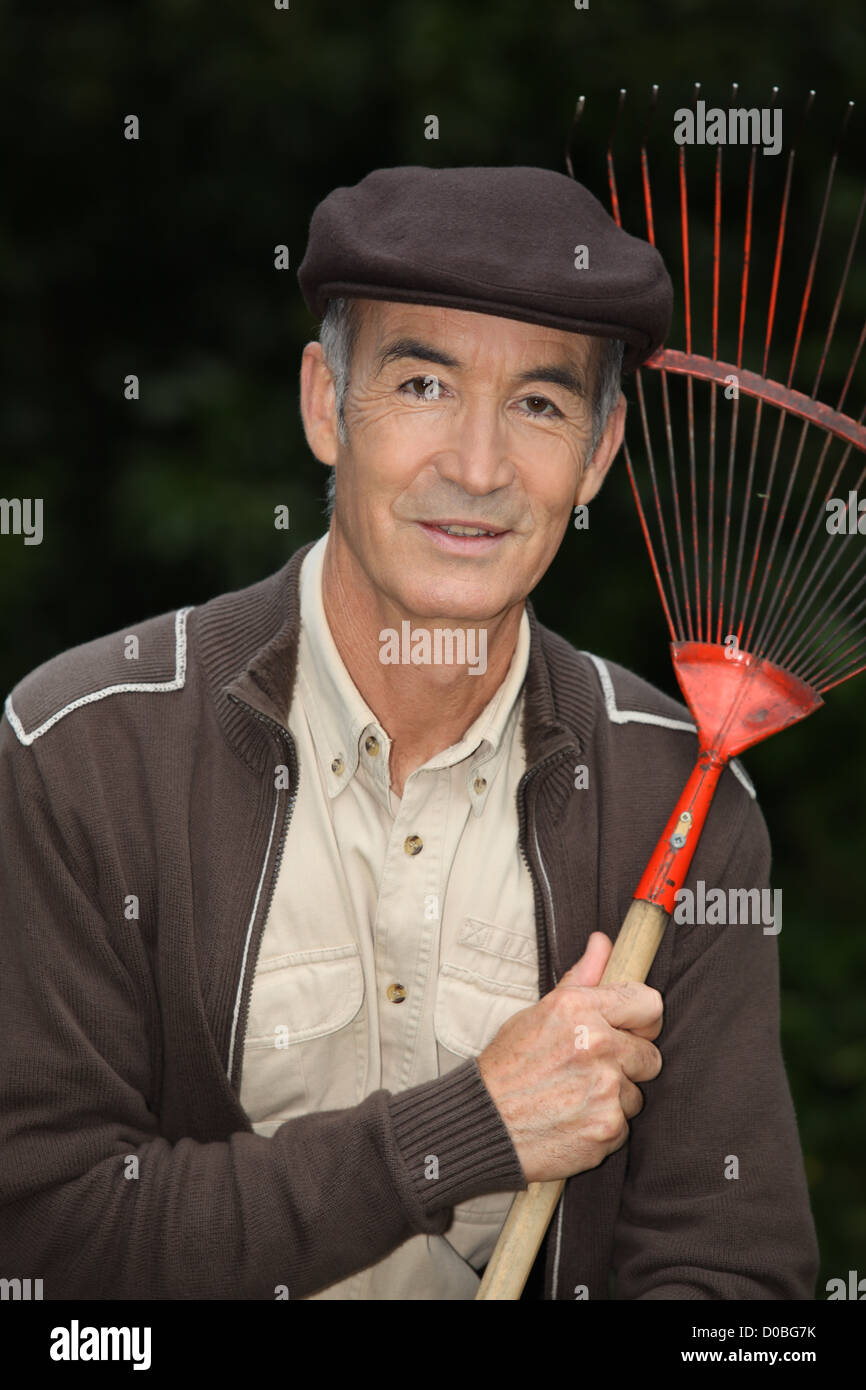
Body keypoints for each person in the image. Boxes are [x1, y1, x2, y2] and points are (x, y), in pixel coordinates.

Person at [0, 165, 817, 1300]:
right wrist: (469, 1127)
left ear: (597, 451)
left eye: (538, 404)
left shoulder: (675, 797)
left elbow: (730, 1281)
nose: (477, 468)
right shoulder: (81, 751)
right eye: (423, 384)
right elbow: (45, 1239)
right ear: (325, 406)